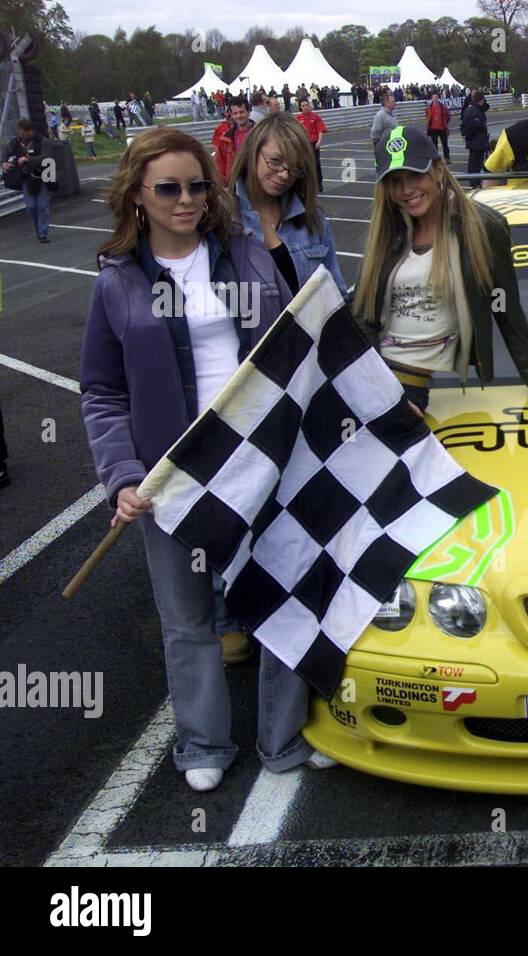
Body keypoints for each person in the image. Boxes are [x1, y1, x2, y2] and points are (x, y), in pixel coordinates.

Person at [79, 126, 336, 792]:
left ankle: (283, 740)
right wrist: (122, 477)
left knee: (282, 605)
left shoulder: (245, 255)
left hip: (263, 466)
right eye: (168, 187)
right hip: (173, 481)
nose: (185, 199)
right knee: (190, 622)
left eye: (196, 184)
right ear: (137, 192)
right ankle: (202, 746)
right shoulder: (115, 283)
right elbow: (103, 394)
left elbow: (298, 351)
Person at [356, 127, 528, 410]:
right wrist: (375, 389)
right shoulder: (388, 233)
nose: (405, 190)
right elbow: (362, 317)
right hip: (371, 385)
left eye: (415, 174)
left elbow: (505, 307)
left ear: (438, 170)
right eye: (395, 181)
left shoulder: (482, 228)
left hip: (409, 390)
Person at [230, 111, 347, 300]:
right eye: (275, 161)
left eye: (294, 167)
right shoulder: (224, 219)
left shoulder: (313, 219)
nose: (285, 174)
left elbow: (337, 293)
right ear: (252, 152)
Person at [2, 119, 51, 243]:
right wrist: (4, 163)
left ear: (29, 131)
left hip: (41, 177)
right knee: (31, 207)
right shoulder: (15, 143)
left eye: (22, 133)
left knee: (43, 207)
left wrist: (28, 159)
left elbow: (46, 157)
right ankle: (38, 227)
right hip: (25, 178)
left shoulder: (42, 141)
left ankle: (43, 233)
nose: (21, 135)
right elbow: (5, 154)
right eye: (19, 133)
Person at [212, 95, 254, 186]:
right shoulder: (225, 139)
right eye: (235, 113)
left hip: (256, 182)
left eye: (242, 112)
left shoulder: (260, 133)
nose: (239, 116)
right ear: (231, 114)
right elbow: (220, 165)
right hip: (235, 184)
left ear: (249, 111)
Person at [294, 98, 328, 192]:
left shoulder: (315, 116)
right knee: (304, 165)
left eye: (306, 105)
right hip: (304, 144)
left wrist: (319, 141)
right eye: (303, 106)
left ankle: (319, 182)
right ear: (300, 107)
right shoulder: (298, 118)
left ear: (309, 105)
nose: (305, 107)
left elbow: (320, 129)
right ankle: (307, 184)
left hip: (314, 143)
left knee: (316, 163)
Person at [461, 90, 490, 174]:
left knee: (474, 163)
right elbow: (472, 127)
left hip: (475, 141)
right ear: (481, 100)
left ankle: (474, 182)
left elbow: (486, 107)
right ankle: (475, 183)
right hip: (477, 141)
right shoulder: (474, 111)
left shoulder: (471, 108)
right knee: (476, 164)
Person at [426, 93, 451, 162]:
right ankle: (436, 159)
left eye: (436, 97)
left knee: (445, 144)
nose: (435, 99)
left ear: (438, 98)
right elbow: (427, 117)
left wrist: (445, 123)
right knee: (434, 145)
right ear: (431, 99)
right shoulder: (429, 108)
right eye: (434, 97)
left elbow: (448, 116)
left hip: (442, 128)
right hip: (433, 128)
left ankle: (447, 158)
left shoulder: (443, 107)